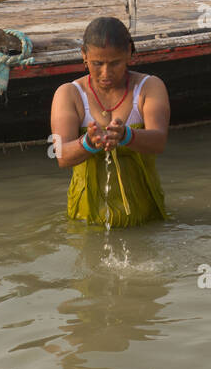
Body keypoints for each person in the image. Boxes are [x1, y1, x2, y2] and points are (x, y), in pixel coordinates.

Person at [50, 17, 169, 227]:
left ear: (129, 54)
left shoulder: (149, 87)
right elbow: (61, 156)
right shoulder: (69, 94)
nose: (106, 73)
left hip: (145, 211)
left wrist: (126, 136)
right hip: (86, 216)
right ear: (84, 56)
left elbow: (158, 142)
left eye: (115, 63)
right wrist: (88, 143)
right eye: (97, 64)